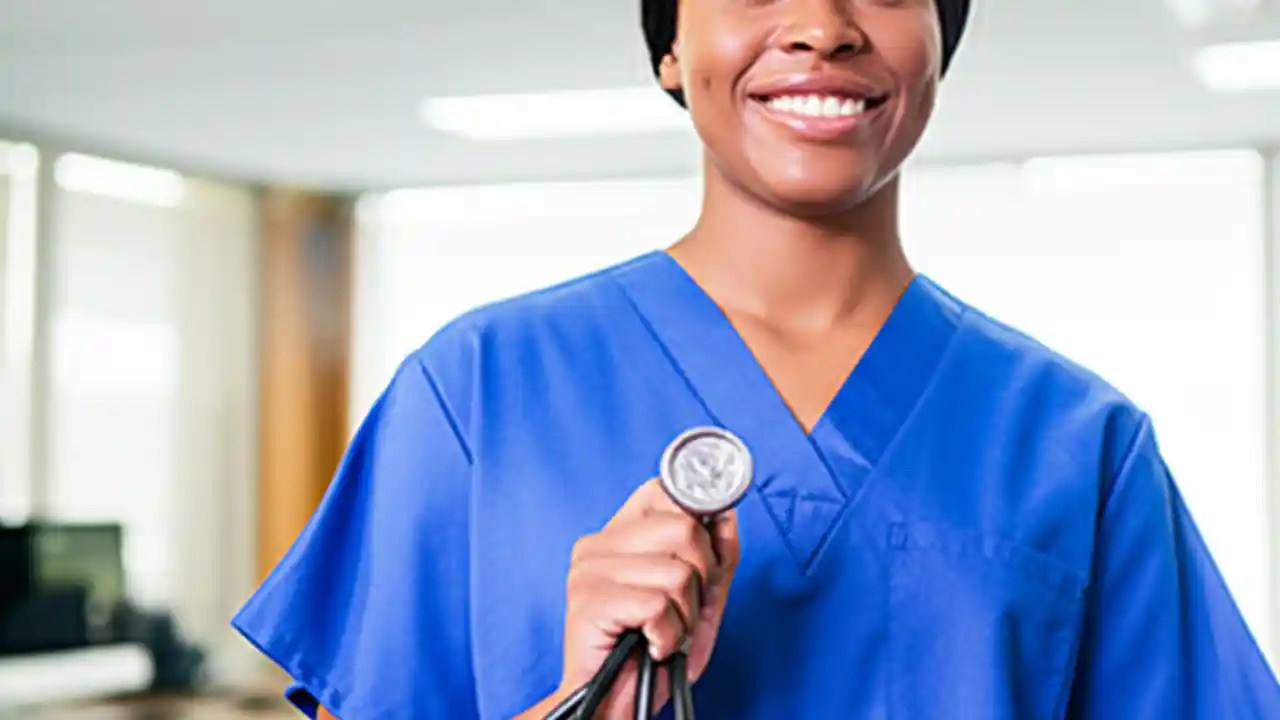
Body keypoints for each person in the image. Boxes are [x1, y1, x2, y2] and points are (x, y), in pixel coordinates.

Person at [232, 0, 1280, 717]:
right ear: (669, 49)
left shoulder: (1076, 445)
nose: (821, 25)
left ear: (936, 41)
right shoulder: (477, 391)